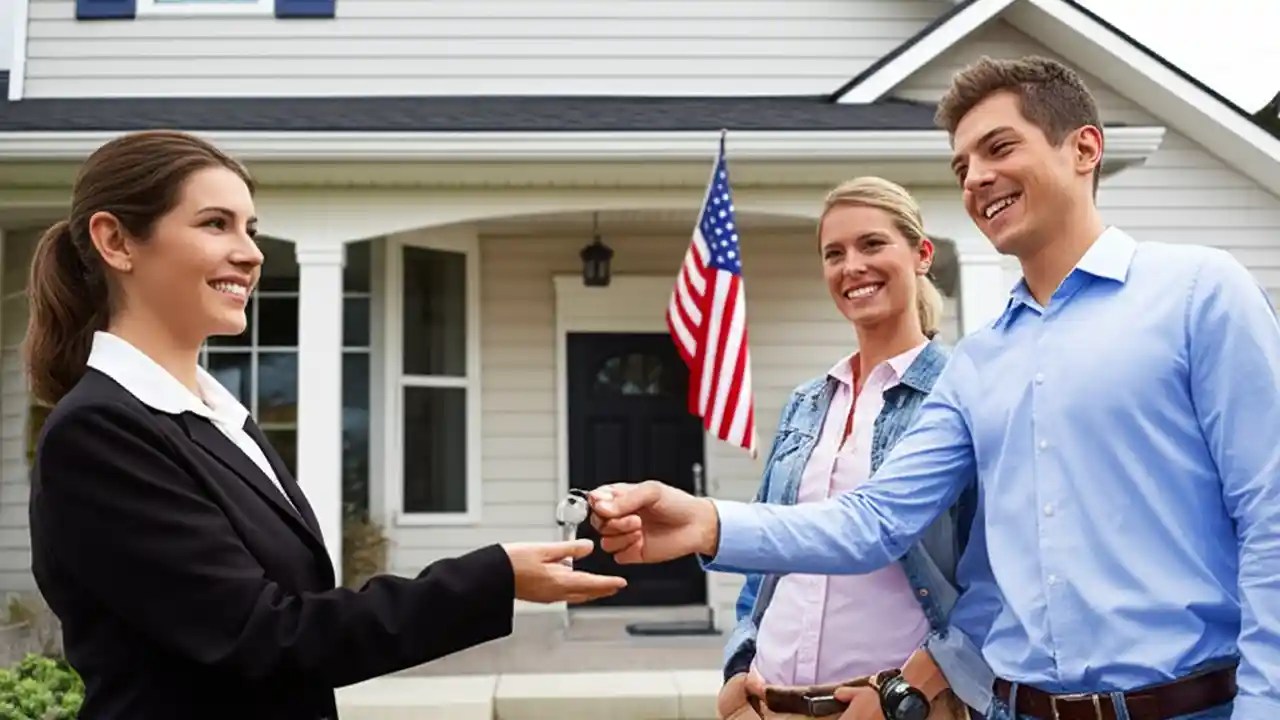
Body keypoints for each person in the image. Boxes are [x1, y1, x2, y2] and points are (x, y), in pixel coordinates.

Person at [587, 55, 1280, 720]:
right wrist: (708, 522)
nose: (977, 177)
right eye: (962, 165)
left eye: (999, 148)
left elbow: (1270, 516)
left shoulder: (1197, 293)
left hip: (1193, 706)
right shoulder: (979, 363)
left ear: (1084, 148)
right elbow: (872, 521)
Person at [24, 129, 626, 720]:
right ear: (116, 242)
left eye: (250, 228)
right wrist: (492, 579)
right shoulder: (100, 432)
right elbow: (262, 637)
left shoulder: (217, 418)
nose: (251, 252)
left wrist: (497, 578)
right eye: (215, 223)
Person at [716, 176, 984, 720]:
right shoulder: (807, 402)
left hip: (899, 706)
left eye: (872, 244)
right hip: (772, 704)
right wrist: (739, 667)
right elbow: (767, 552)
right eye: (833, 254)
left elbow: (995, 574)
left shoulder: (963, 392)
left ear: (922, 255)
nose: (851, 266)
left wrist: (909, 689)